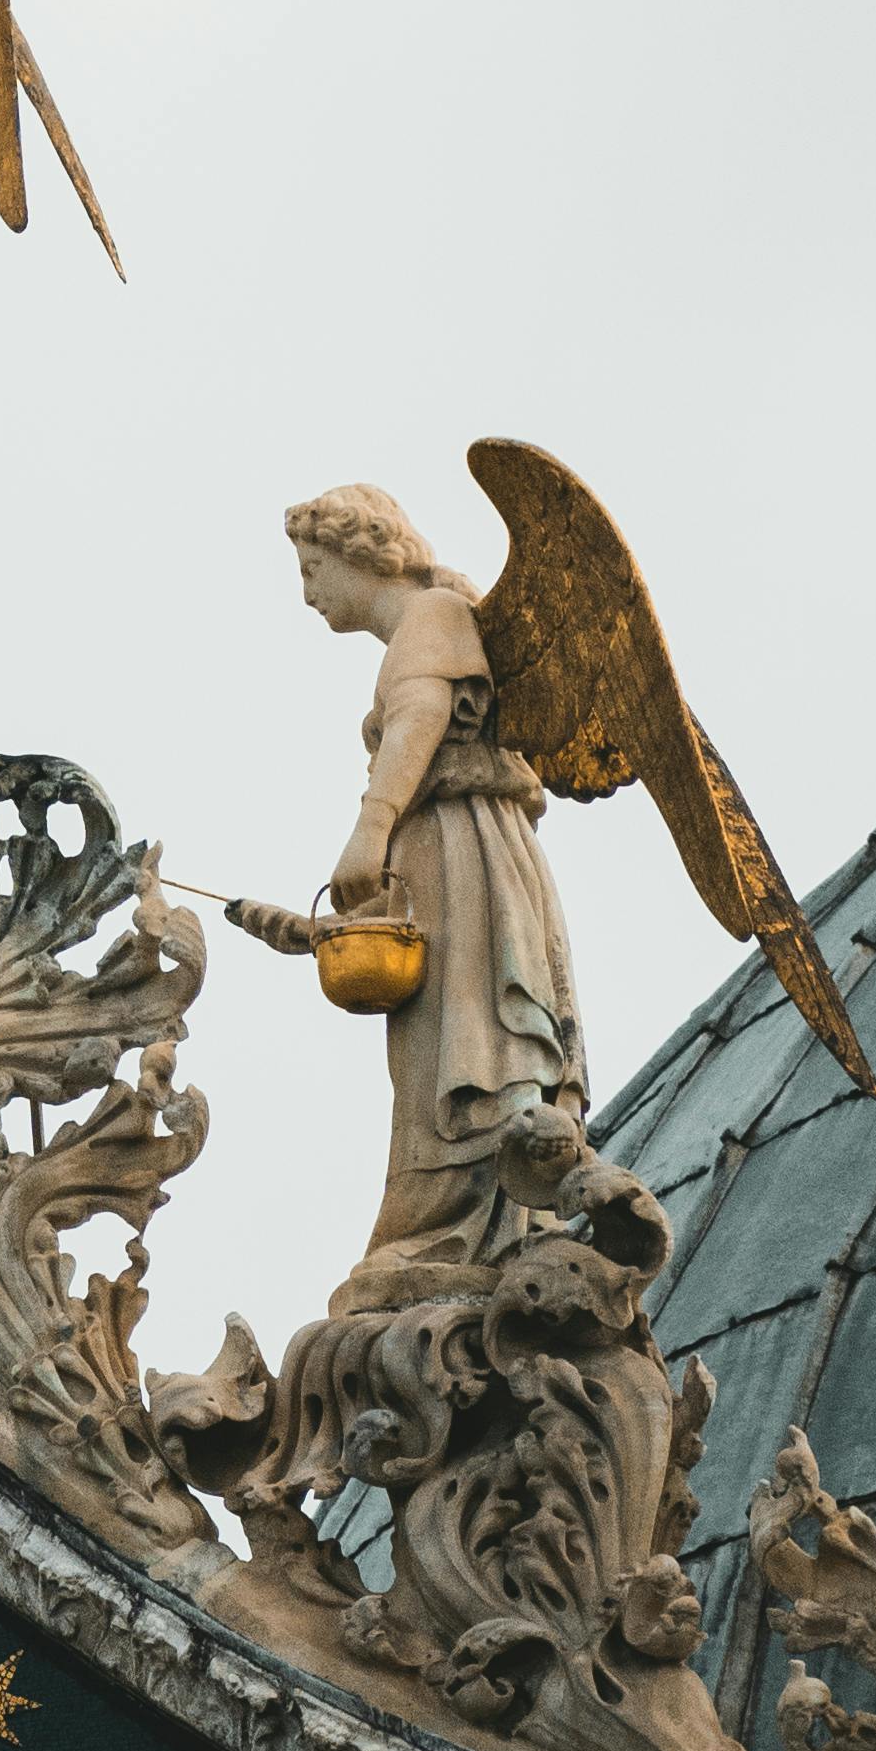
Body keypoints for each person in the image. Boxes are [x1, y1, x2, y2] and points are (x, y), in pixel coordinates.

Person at [285, 483, 589, 1299]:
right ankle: (461, 1220)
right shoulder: (435, 622)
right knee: (443, 1039)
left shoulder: (434, 616)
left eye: (313, 569)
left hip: (462, 849)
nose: (308, 594)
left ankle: (466, 1220)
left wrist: (372, 824)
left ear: (360, 554)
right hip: (445, 852)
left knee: (472, 1033)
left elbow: (420, 712)